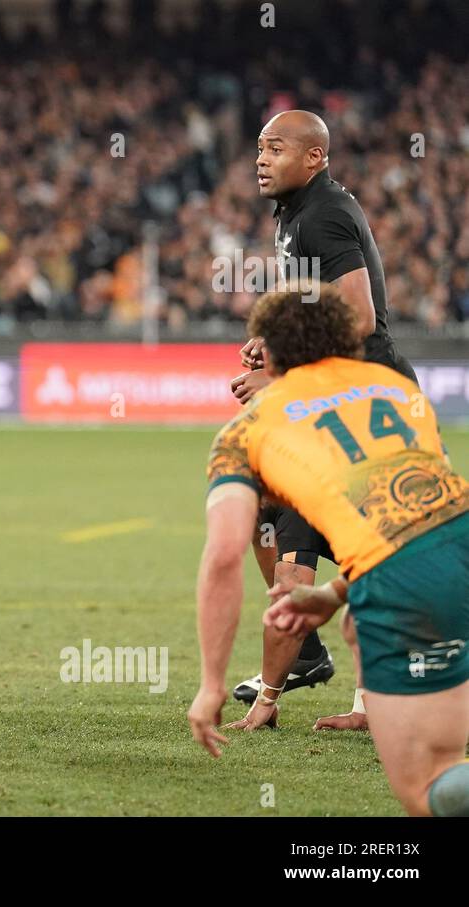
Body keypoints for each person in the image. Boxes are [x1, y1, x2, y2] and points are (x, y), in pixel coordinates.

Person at [189, 283, 469, 817]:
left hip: (405, 583)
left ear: (268, 355)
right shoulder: (391, 385)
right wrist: (338, 591)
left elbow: (225, 555)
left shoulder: (246, 432)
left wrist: (211, 685)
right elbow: (425, 512)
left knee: (429, 783)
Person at [227, 110, 418, 730]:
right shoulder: (293, 214)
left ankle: (332, 693)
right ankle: (305, 655)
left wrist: (279, 370)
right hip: (336, 398)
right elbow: (316, 302)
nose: (261, 158)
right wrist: (270, 339)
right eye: (258, 148)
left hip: (368, 404)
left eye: (275, 148)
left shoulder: (325, 213)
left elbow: (359, 317)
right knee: (266, 511)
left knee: (351, 542)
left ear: (314, 158)